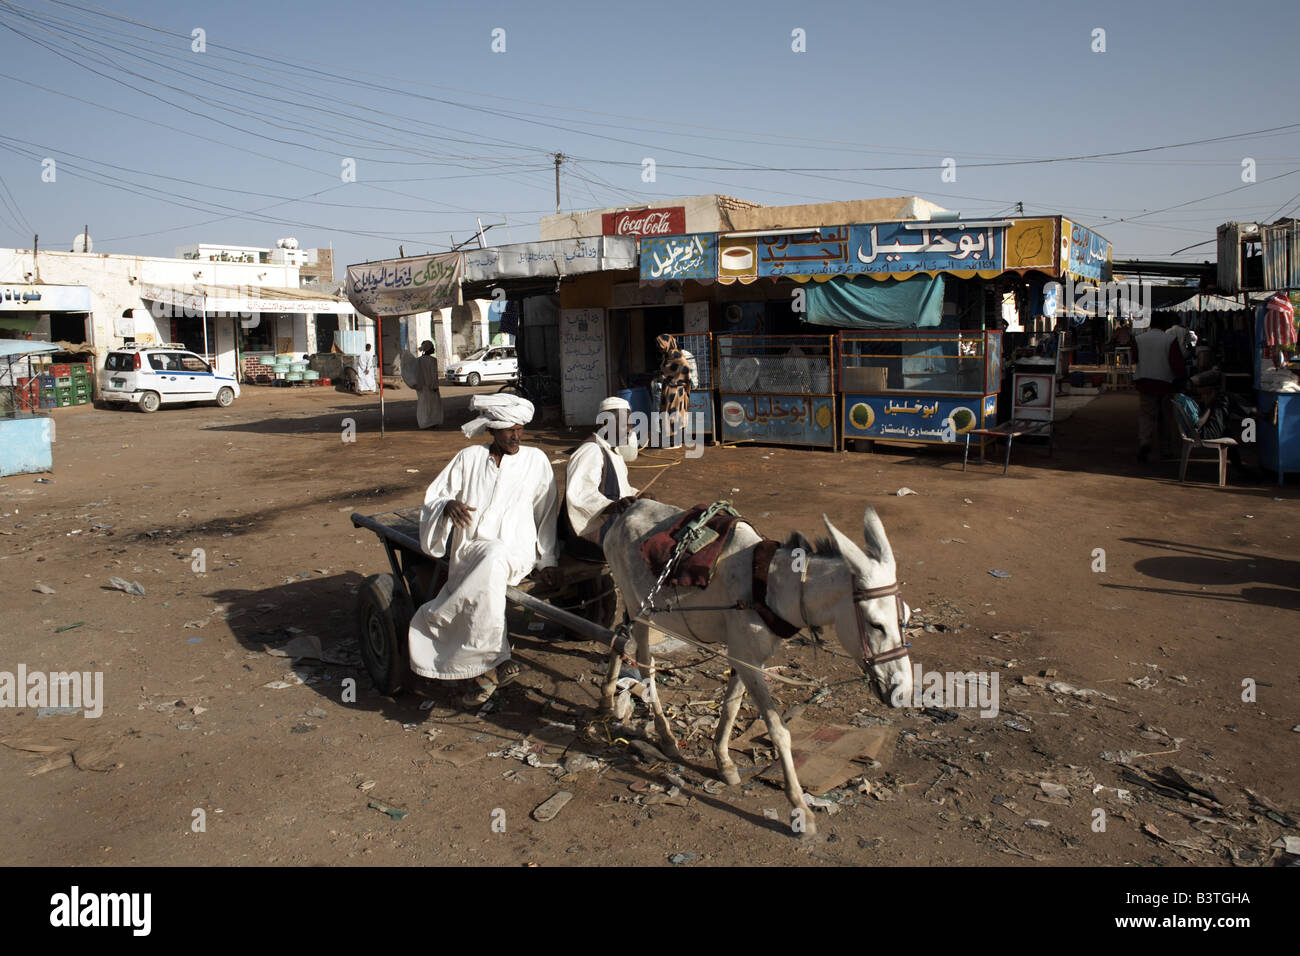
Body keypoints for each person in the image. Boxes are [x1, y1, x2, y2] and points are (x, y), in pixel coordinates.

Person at [409, 394, 560, 706]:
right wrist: (448, 506)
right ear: (492, 430)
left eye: (520, 429)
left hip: (515, 551)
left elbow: (545, 514)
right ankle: (489, 658)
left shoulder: (536, 461)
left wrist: (547, 560)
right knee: (489, 559)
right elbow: (435, 497)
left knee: (494, 558)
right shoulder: (469, 458)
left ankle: (480, 651)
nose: (516, 436)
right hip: (470, 548)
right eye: (508, 431)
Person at [565, 397, 653, 556]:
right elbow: (581, 496)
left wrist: (638, 496)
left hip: (609, 535)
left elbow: (619, 490)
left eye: (630, 425)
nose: (630, 430)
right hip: (591, 543)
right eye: (624, 425)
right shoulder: (591, 451)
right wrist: (612, 506)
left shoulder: (613, 451)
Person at [1133, 316, 1186, 462]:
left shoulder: (1139, 339)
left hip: (1145, 382)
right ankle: (1166, 449)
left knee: (1146, 416)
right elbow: (1177, 364)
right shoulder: (1170, 340)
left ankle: (1145, 442)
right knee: (1166, 418)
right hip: (1165, 383)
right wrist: (1181, 379)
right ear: (1164, 326)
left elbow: (1135, 358)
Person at [656, 333, 691, 448]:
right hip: (668, 390)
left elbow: (685, 366)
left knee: (673, 415)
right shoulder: (667, 355)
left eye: (661, 344)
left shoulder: (675, 354)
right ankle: (672, 441)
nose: (659, 347)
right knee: (668, 415)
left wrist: (676, 379)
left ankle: (675, 442)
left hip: (675, 391)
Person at [415, 340, 444, 429]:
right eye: (432, 348)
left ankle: (423, 422)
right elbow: (433, 375)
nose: (434, 349)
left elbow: (416, 374)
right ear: (429, 349)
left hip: (421, 387)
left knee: (423, 404)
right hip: (431, 387)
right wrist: (435, 386)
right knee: (433, 405)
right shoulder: (432, 360)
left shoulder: (418, 361)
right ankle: (432, 422)